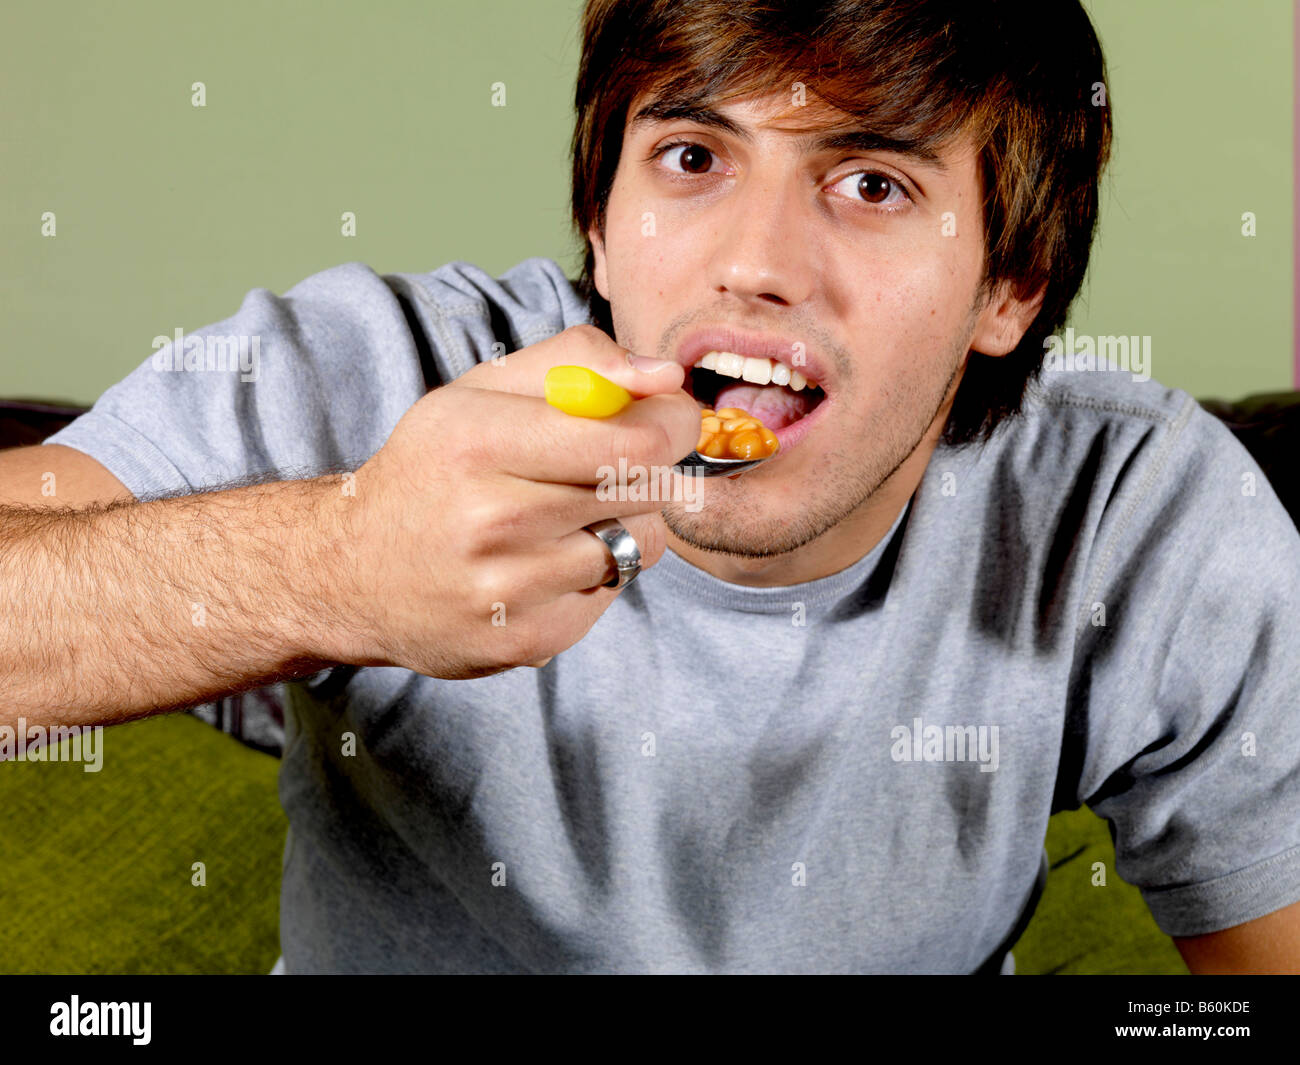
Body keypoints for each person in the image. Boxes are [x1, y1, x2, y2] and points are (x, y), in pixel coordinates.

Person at [4, 0, 1299, 974]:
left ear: (1008, 291)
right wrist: (334, 564)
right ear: (601, 220)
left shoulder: (1146, 523)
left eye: (871, 182)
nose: (757, 264)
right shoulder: (366, 379)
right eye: (693, 158)